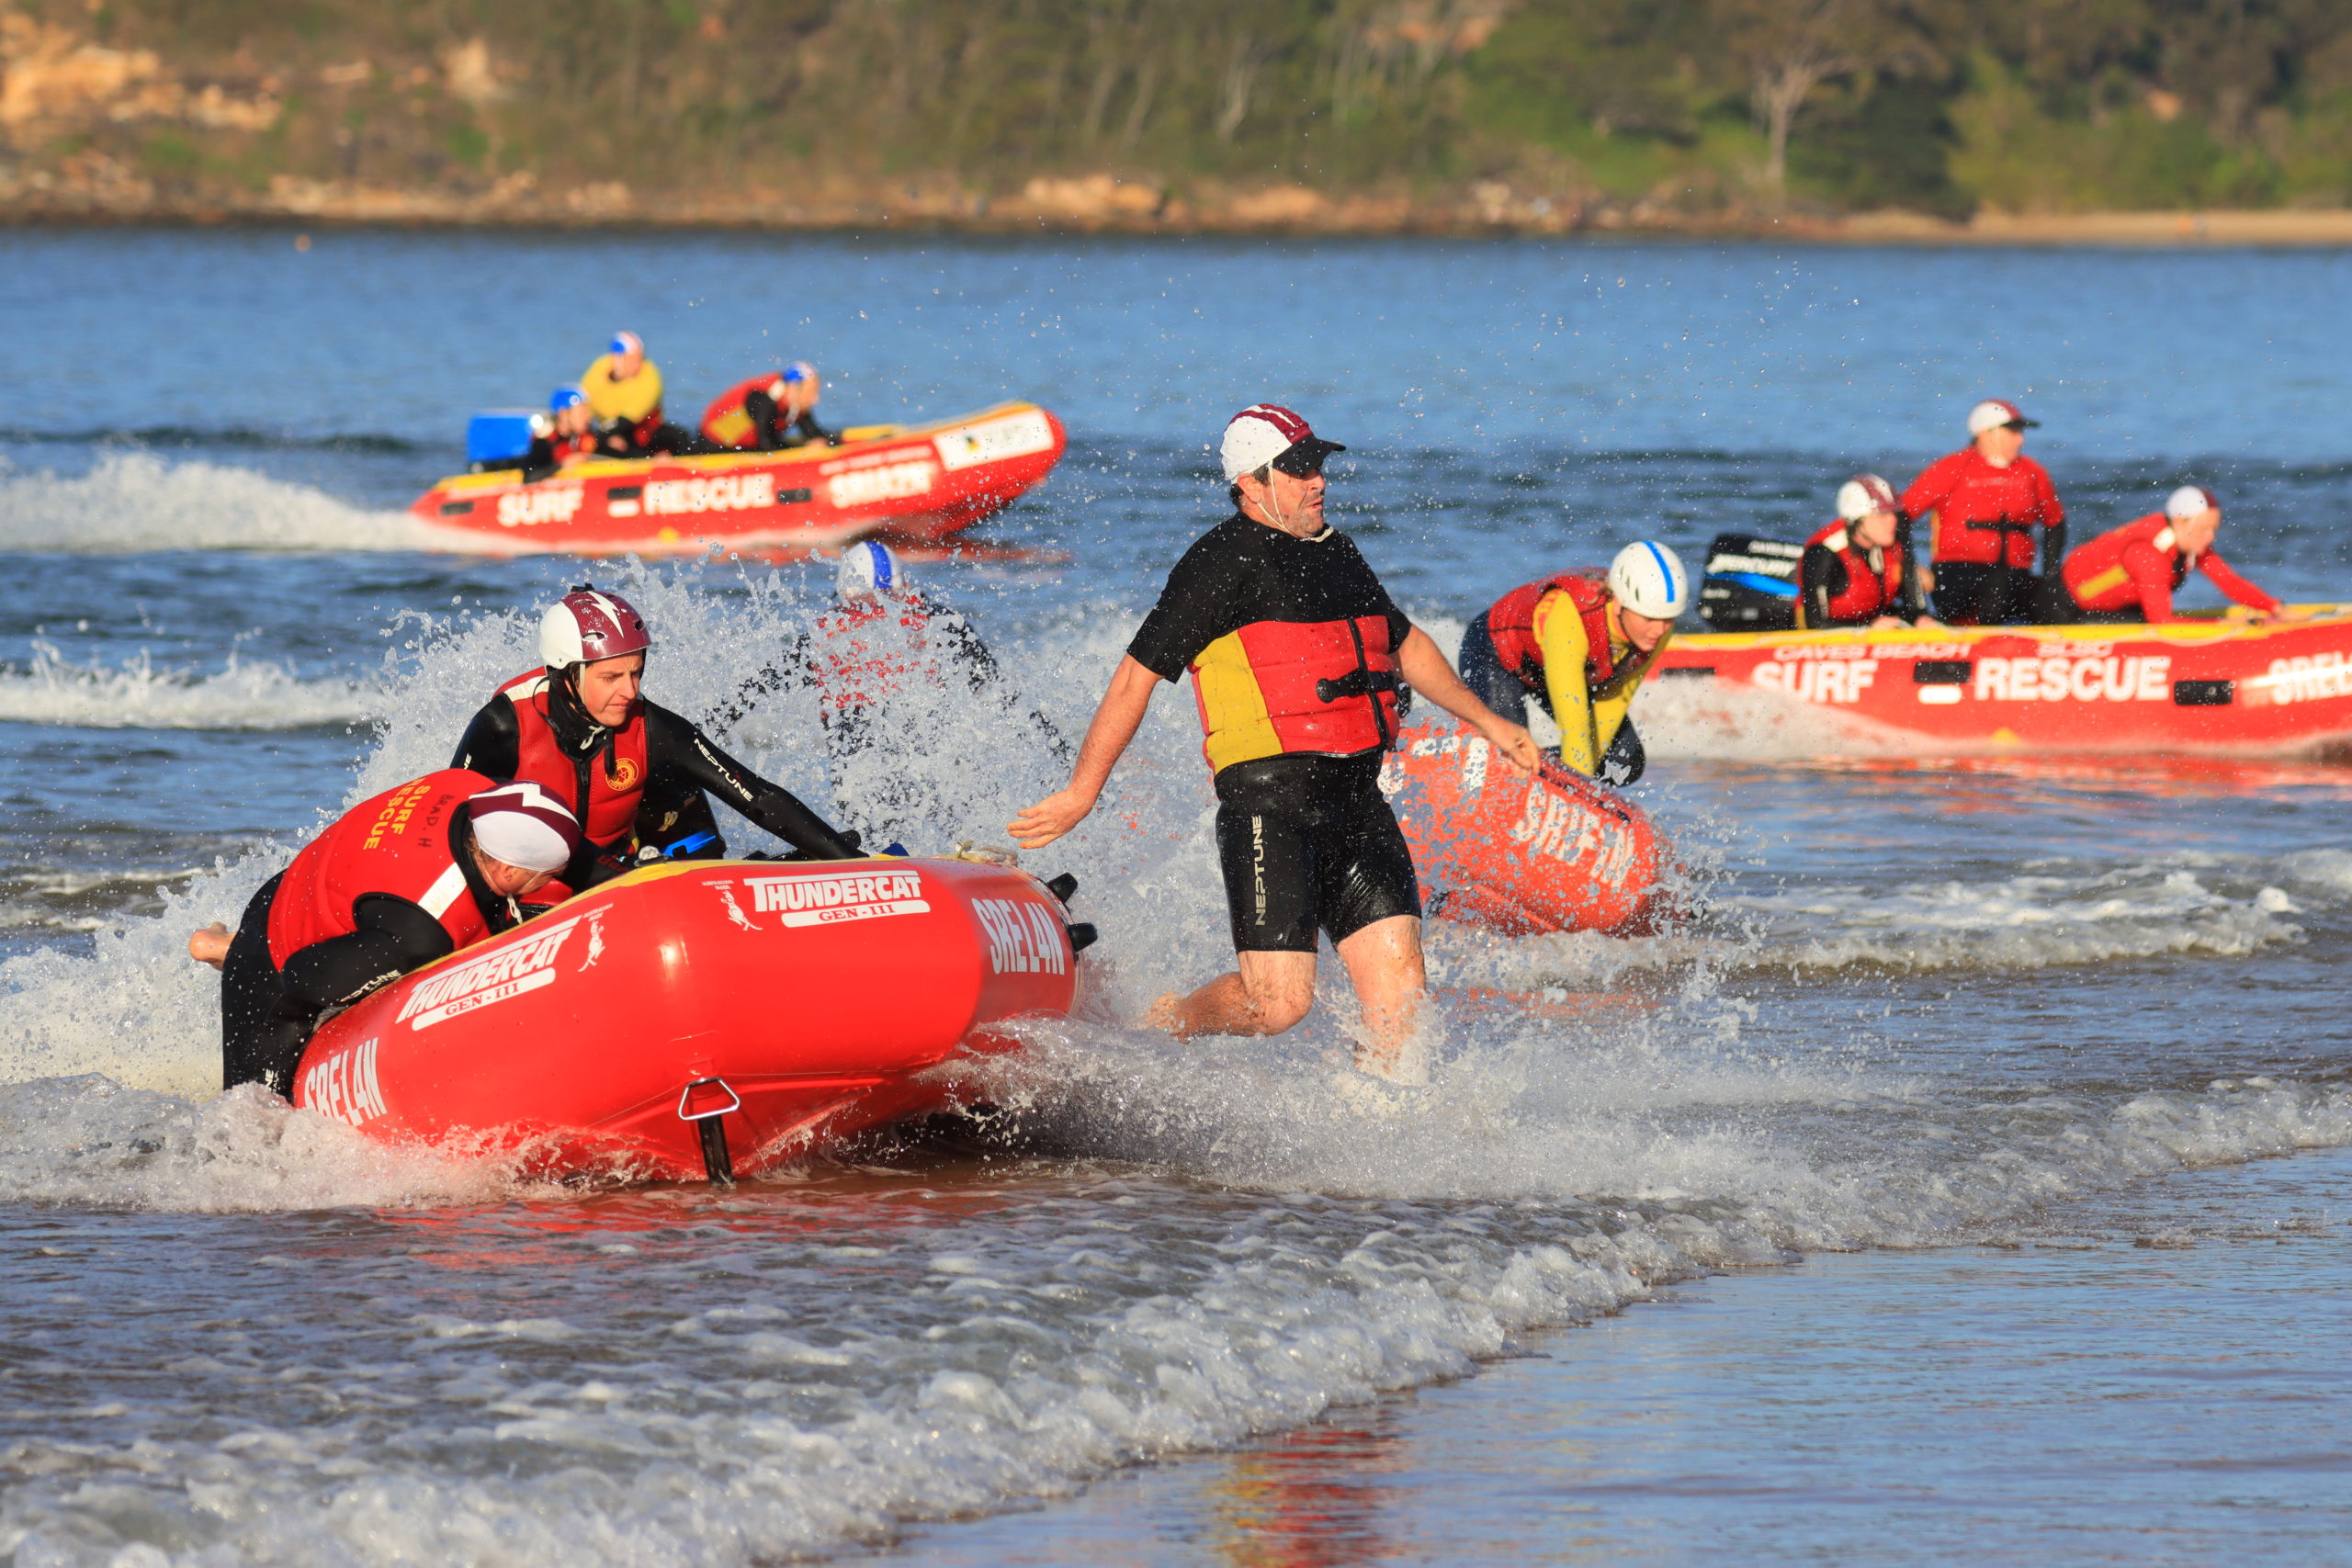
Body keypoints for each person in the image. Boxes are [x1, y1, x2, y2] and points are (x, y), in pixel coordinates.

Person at [1009, 404, 1541, 1085]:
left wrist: (1490, 722)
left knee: (1402, 1007)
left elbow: (1402, 642)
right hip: (1272, 808)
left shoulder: (1338, 550)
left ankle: (1370, 1145)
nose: (1317, 481)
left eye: (1318, 465)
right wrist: (1083, 791)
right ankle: (1166, 1020)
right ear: (1251, 484)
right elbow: (1132, 679)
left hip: (1356, 804)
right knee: (1278, 1004)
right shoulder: (1218, 562)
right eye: (1298, 469)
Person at [187, 775, 579, 1096]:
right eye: (550, 876)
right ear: (508, 872)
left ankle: (220, 944)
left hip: (311, 885)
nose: (553, 883)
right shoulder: (422, 932)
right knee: (255, 1131)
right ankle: (227, 948)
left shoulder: (471, 788)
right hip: (271, 967)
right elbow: (303, 979)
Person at [450, 586, 864, 887]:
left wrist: (855, 865)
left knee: (674, 777)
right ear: (567, 676)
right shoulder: (504, 726)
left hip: (623, 871)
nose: (630, 692)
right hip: (534, 884)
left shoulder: (650, 725)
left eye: (636, 672)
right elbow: (453, 819)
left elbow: (756, 797)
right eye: (611, 677)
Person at [1456, 540, 1690, 787]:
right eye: (1649, 618)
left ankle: (1535, 778)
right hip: (1494, 654)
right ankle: (1467, 770)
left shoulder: (1655, 633)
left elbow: (1610, 708)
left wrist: (1586, 794)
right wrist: (1581, 793)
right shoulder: (1570, 617)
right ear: (1620, 604)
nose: (1659, 630)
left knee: (1623, 761)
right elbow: (1575, 727)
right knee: (1513, 751)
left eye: (1668, 619)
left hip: (1547, 668)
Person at [1902, 399, 2066, 626]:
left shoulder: (2032, 472)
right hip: (1956, 576)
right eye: (2012, 431)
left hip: (2015, 576)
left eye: (2020, 432)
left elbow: (2055, 523)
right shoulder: (1951, 468)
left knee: (2060, 600)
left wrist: (2050, 577)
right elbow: (1898, 518)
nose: (2020, 439)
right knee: (1998, 585)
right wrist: (1909, 567)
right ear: (1985, 433)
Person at [2062, 486, 2308, 626]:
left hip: (2114, 609)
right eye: (2204, 529)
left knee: (2140, 618)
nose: (2210, 537)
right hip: (2067, 611)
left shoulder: (2189, 542)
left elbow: (2229, 582)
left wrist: (2275, 608)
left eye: (2214, 529)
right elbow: (2162, 621)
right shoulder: (2150, 555)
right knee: (2142, 622)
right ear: (2179, 522)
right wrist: (2221, 625)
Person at [1797, 473, 1938, 630]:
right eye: (1882, 514)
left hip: (1875, 621)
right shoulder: (1823, 552)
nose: (1893, 520)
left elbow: (1914, 604)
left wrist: (1921, 618)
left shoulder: (1896, 538)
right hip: (1830, 629)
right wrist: (1868, 628)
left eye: (1894, 513)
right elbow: (1815, 624)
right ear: (1857, 520)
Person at [580, 331, 704, 458]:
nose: (638, 364)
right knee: (594, 442)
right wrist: (605, 436)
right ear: (617, 359)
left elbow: (631, 416)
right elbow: (584, 411)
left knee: (681, 436)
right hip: (612, 431)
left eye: (640, 358)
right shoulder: (597, 374)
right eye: (633, 359)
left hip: (645, 431)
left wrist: (607, 433)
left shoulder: (650, 374)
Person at [700, 362, 836, 451]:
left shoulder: (794, 403)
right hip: (715, 449)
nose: (816, 400)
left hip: (748, 449)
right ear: (794, 388)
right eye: (811, 393)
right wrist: (804, 449)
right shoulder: (763, 400)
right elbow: (767, 446)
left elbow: (814, 435)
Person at [521, 386, 598, 480]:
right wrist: (562, 465)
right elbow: (529, 476)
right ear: (564, 414)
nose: (588, 417)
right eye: (582, 412)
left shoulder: (587, 434)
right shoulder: (545, 441)